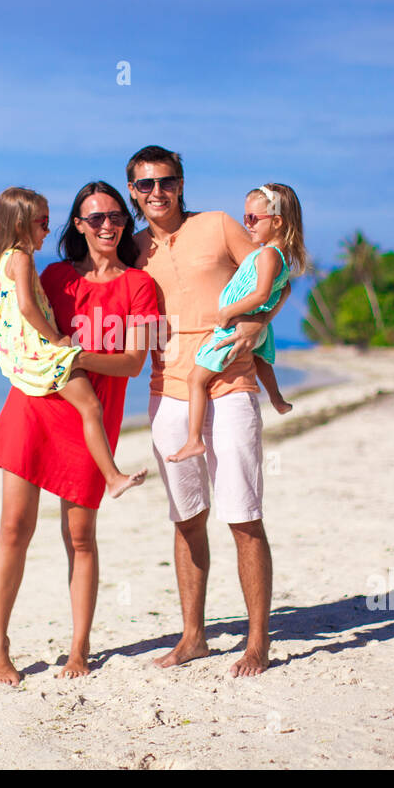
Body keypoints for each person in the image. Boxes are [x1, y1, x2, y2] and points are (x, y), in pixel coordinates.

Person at [0, 182, 160, 685]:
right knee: (15, 528)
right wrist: (52, 355)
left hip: (91, 419)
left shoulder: (141, 285)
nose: (108, 225)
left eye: (116, 216)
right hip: (33, 408)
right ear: (78, 226)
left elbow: (131, 364)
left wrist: (72, 354)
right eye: (95, 218)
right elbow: (18, 320)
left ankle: (78, 649)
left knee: (80, 537)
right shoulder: (54, 275)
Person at [129, 145, 290, 677]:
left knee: (243, 516)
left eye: (167, 181)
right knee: (186, 519)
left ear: (180, 183)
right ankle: (193, 637)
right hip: (166, 391)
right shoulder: (131, 249)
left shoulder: (220, 225)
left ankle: (257, 642)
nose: (158, 192)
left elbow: (276, 272)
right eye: (146, 184)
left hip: (233, 385)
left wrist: (256, 326)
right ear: (133, 191)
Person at [0, 186, 147, 499]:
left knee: (90, 409)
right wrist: (59, 340)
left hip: (26, 357)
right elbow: (29, 307)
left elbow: (134, 363)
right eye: (42, 223)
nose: (46, 230)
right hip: (44, 357)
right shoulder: (26, 260)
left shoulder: (4, 260)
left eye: (116, 217)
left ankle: (112, 477)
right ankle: (112, 476)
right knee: (91, 406)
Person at [167, 183, 306, 463]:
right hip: (253, 325)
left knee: (196, 379)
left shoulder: (267, 254)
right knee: (260, 361)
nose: (248, 225)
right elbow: (285, 291)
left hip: (232, 327)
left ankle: (193, 440)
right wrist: (264, 320)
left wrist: (228, 312)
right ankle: (277, 399)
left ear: (277, 221)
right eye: (245, 218)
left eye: (254, 219)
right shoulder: (276, 256)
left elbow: (262, 294)